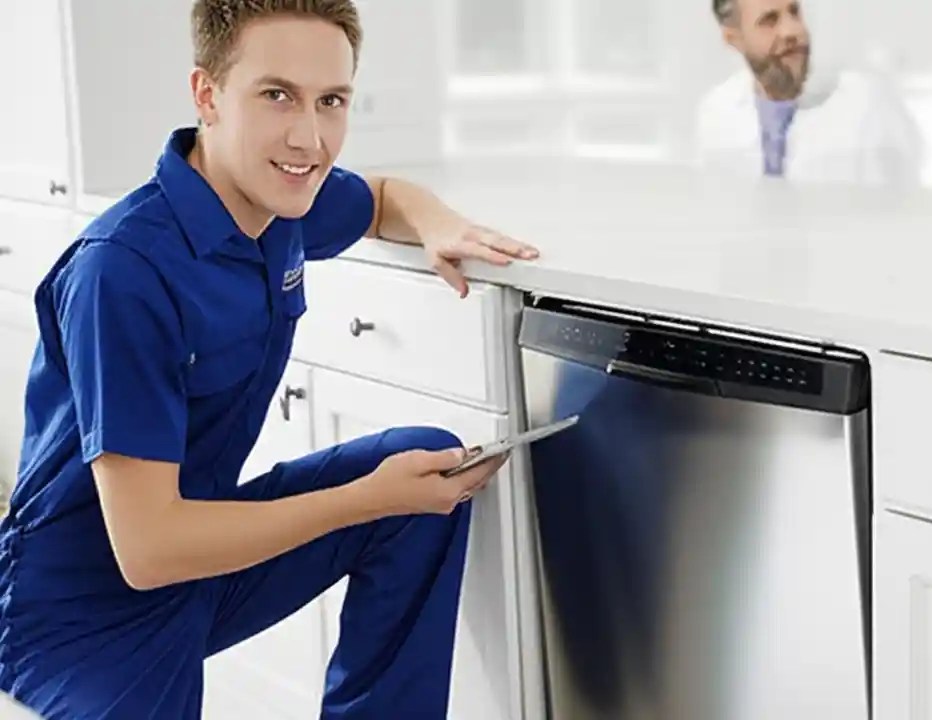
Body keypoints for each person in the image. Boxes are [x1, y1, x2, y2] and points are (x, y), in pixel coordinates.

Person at [0, 1, 540, 718]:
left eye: (331, 101)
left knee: (430, 466)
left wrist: (437, 222)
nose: (309, 137)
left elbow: (380, 197)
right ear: (207, 95)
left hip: (204, 554)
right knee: (397, 493)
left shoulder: (281, 196)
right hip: (84, 617)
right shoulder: (123, 272)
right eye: (277, 95)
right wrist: (368, 497)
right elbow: (150, 550)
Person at [695, 0, 922, 186]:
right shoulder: (716, 113)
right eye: (769, 20)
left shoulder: (867, 103)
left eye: (794, 12)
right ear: (734, 39)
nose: (792, 30)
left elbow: (907, 213)